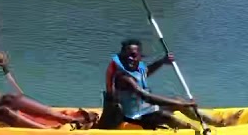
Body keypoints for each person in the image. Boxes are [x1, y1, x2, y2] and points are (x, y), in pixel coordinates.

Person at [100, 39, 240, 130]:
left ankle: (220, 123)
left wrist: (162, 61)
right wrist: (185, 104)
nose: (130, 58)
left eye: (133, 55)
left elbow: (145, 72)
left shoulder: (137, 69)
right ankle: (193, 132)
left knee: (178, 101)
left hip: (145, 110)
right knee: (167, 115)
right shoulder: (123, 77)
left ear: (139, 56)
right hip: (134, 116)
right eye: (126, 55)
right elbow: (147, 97)